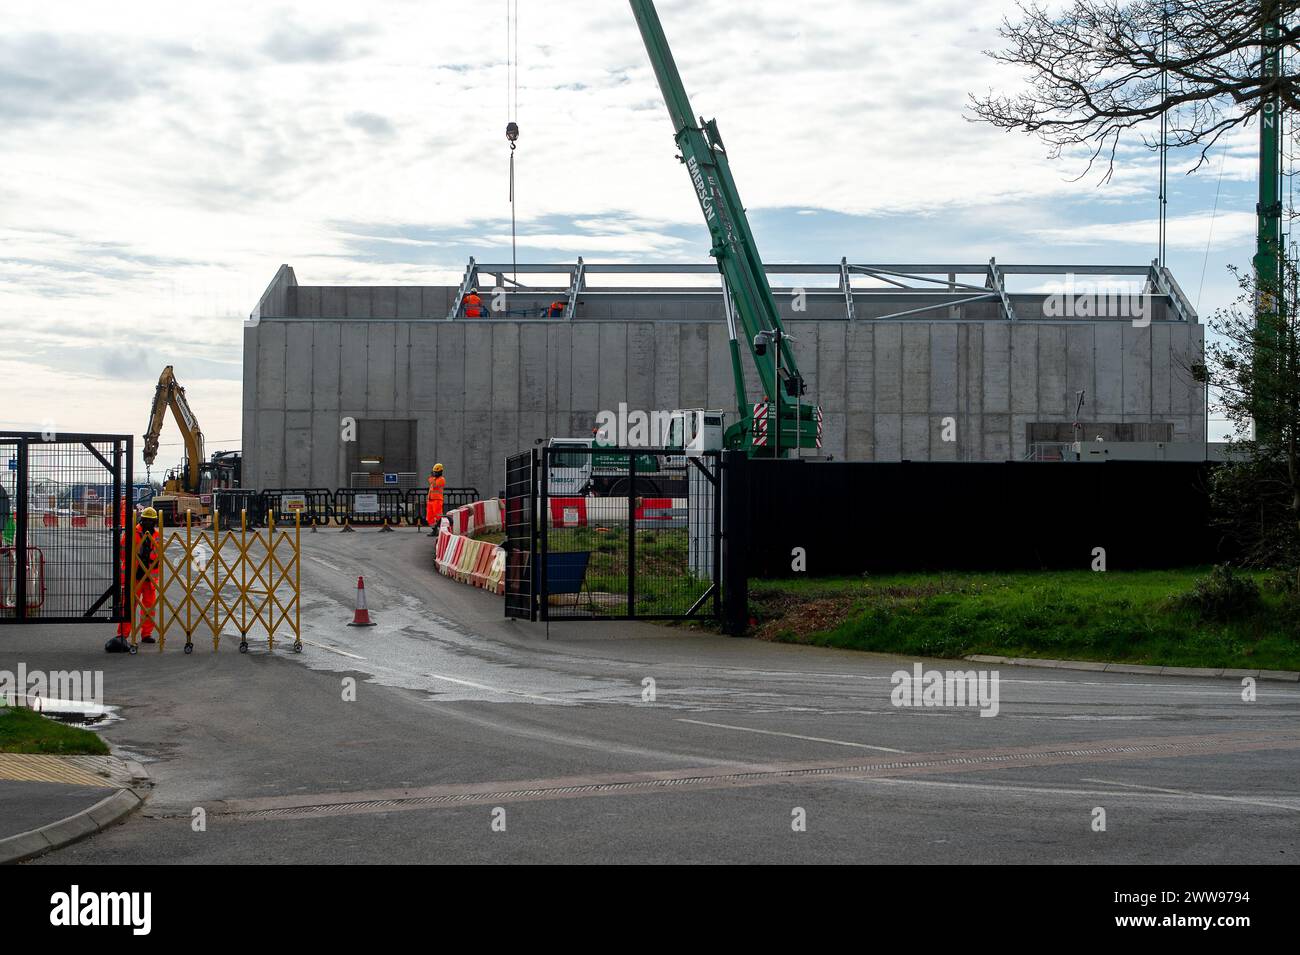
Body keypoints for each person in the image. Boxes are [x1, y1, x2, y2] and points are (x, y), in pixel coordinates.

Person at [105, 506, 160, 652]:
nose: (149, 523)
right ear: (142, 520)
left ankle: (146, 634)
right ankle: (122, 634)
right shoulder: (131, 534)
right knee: (128, 606)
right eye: (147, 521)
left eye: (151, 521)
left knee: (149, 607)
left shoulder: (156, 535)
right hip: (134, 576)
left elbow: (158, 555)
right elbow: (122, 553)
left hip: (149, 578)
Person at [426, 464, 446, 537]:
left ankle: (443, 531)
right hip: (430, 501)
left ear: (440, 472)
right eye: (434, 472)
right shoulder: (434, 479)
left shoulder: (441, 479)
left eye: (436, 472)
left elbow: (434, 486)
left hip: (437, 500)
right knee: (429, 518)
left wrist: (431, 477)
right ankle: (434, 531)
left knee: (438, 516)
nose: (435, 473)